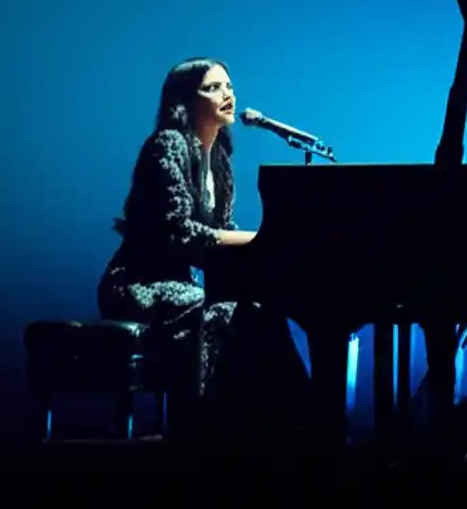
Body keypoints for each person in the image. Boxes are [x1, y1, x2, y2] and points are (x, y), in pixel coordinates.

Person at [97, 57, 311, 449]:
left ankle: (292, 430)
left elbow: (222, 235)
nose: (226, 94)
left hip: (180, 286)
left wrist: (268, 248)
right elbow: (179, 232)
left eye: (228, 85)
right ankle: (206, 438)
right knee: (225, 313)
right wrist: (265, 237)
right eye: (212, 88)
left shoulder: (222, 164)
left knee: (262, 311)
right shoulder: (167, 145)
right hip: (137, 285)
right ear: (184, 100)